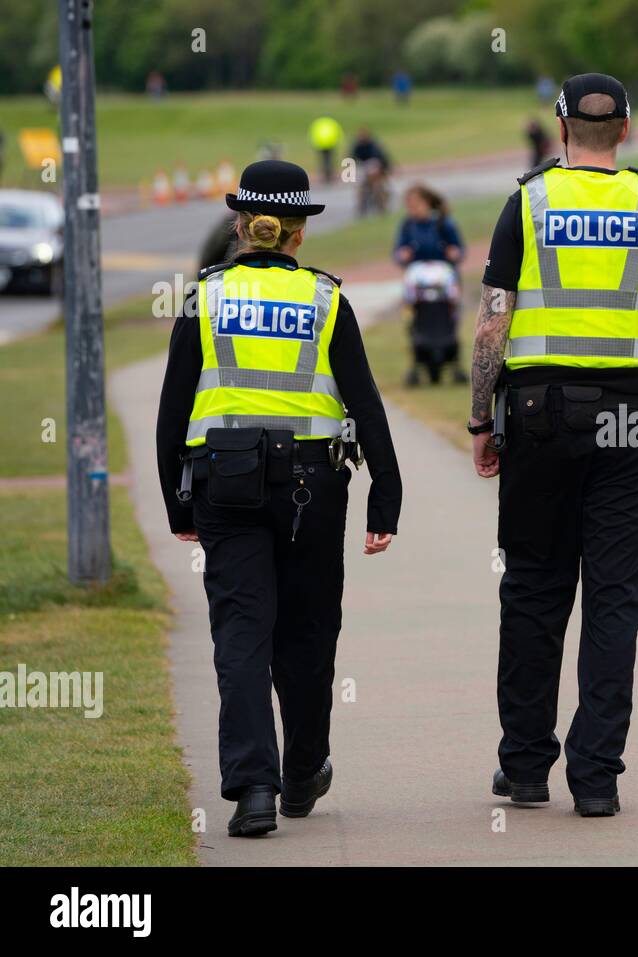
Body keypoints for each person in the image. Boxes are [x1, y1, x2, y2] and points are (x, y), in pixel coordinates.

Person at [469, 73, 638, 817]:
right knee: (614, 596)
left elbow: (491, 327)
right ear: (627, 130)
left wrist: (482, 417)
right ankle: (596, 777)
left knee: (534, 587)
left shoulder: (527, 204)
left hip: (540, 414)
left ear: (561, 127)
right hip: (637, 416)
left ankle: (527, 764)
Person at [155, 160, 402, 837]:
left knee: (242, 633)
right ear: (297, 234)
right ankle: (303, 772)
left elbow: (172, 413)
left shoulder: (202, 298)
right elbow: (368, 407)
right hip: (313, 488)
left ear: (241, 226)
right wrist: (387, 497)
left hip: (223, 486)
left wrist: (178, 506)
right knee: (307, 632)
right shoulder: (327, 301)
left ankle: (253, 790)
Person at [394, 184, 466, 385]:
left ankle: (453, 360)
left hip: (443, 280)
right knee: (412, 318)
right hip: (418, 282)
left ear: (427, 203)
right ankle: (417, 360)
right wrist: (402, 255)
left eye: (415, 204)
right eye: (409, 205)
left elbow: (459, 249)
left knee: (450, 316)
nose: (412, 209)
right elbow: (398, 251)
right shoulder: (408, 226)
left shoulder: (444, 224)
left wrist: (455, 253)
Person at [309, 116, 343, 184]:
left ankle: (327, 175)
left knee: (325, 161)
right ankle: (328, 175)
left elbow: (313, 134)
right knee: (328, 161)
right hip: (329, 144)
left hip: (322, 144)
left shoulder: (318, 124)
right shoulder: (332, 124)